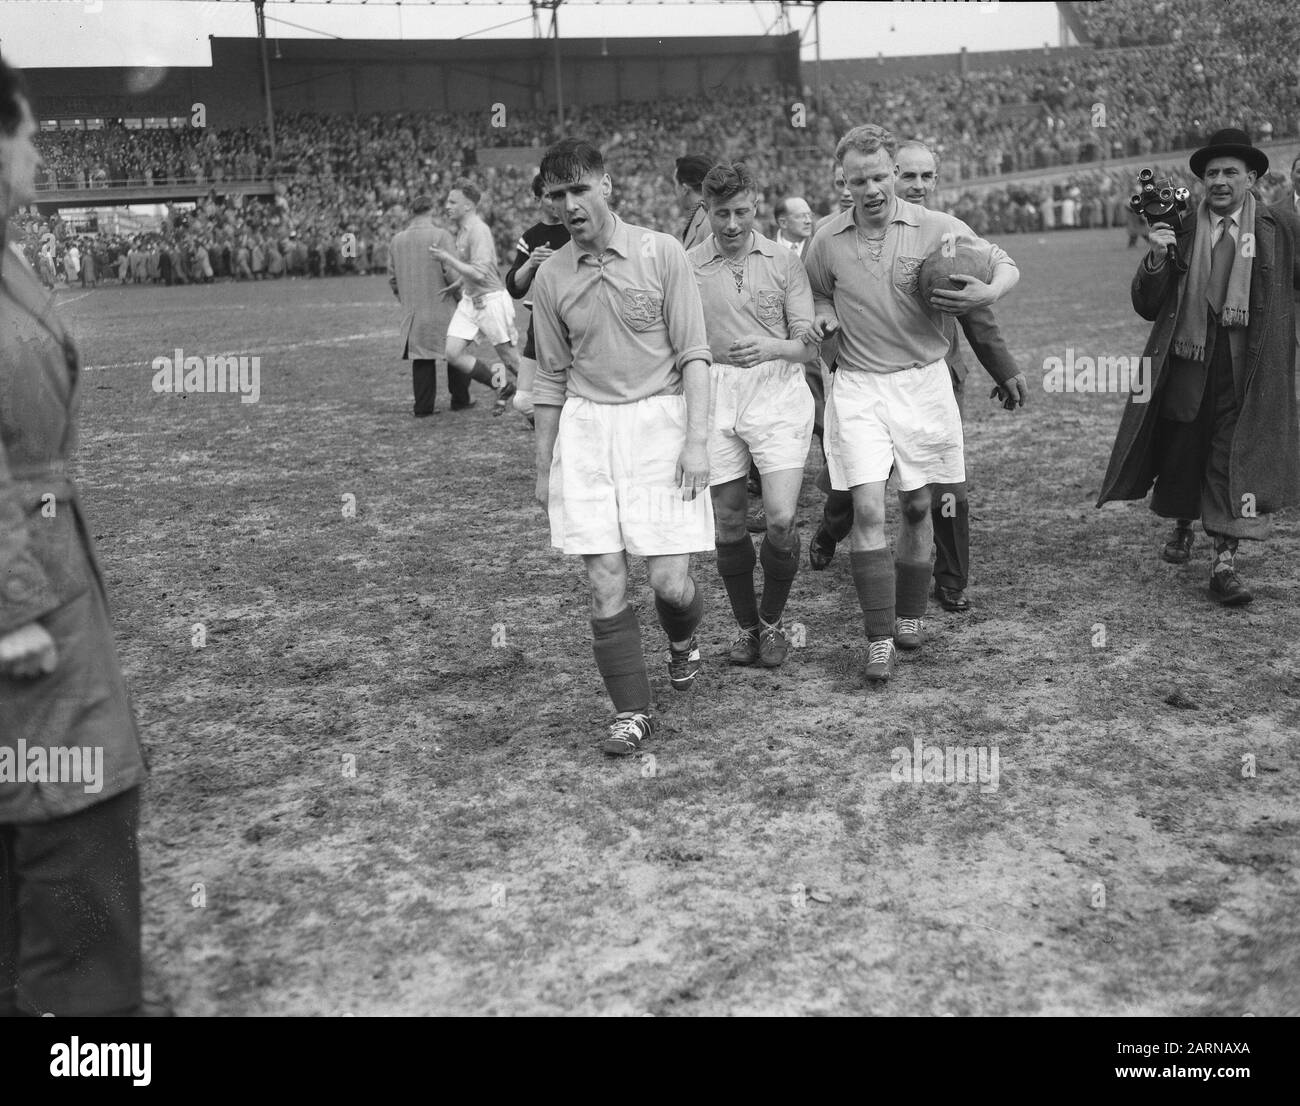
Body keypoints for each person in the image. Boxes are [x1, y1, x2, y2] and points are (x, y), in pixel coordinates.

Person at [0, 53, 163, 1018]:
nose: (34, 150)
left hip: (43, 559)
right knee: (79, 816)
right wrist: (12, 604)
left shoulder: (9, 252)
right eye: (25, 129)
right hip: (27, 600)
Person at [805, 124, 1019, 684]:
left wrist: (988, 291)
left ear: (892, 174)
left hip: (924, 383)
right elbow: (815, 290)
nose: (872, 188)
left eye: (880, 176)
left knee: (922, 506)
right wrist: (823, 311)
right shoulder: (825, 239)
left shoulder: (938, 230)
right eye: (859, 180)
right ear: (843, 181)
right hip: (857, 386)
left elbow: (1003, 262)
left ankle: (910, 616)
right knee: (870, 509)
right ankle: (878, 638)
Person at [531, 138, 712, 756]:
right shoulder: (550, 278)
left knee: (668, 582)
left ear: (607, 184)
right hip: (586, 430)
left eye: (579, 189)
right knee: (605, 578)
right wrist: (543, 465)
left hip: (659, 426)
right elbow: (549, 379)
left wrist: (696, 441)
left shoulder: (662, 254)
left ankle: (684, 638)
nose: (570, 205)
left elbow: (694, 354)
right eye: (557, 196)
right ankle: (632, 711)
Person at [1098, 128, 1300, 606]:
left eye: (1231, 171)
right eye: (1212, 173)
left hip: (1248, 367)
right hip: (1187, 362)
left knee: (1233, 453)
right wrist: (1156, 257)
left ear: (1252, 177)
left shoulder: (1280, 227)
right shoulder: (1182, 228)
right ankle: (1183, 520)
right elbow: (1148, 305)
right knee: (1184, 446)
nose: (1221, 180)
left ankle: (1224, 563)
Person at [688, 163, 819, 667]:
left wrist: (772, 346)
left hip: (777, 390)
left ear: (757, 205)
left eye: (742, 212)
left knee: (782, 519)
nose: (733, 224)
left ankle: (772, 620)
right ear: (706, 210)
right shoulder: (687, 264)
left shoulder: (785, 261)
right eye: (721, 213)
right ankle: (750, 630)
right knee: (728, 521)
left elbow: (807, 348)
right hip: (715, 391)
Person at [431, 179, 522, 416]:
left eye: (453, 201)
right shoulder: (463, 231)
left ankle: (541, 403)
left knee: (511, 360)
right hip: (470, 301)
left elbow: (480, 273)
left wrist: (446, 259)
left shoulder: (479, 230)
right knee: (452, 353)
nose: (447, 205)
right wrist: (458, 283)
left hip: (490, 300)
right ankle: (502, 385)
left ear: (469, 206)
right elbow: (472, 268)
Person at [505, 171, 570, 423]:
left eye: (559, 195)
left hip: (575, 322)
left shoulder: (577, 230)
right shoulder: (530, 238)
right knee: (523, 400)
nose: (555, 202)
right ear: (536, 199)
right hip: (540, 324)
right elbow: (514, 287)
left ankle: (564, 436)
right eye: (548, 196)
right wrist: (531, 263)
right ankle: (559, 429)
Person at [387, 194, 459, 418]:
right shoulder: (441, 235)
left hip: (414, 309)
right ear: (432, 211)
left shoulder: (396, 240)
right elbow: (451, 272)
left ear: (411, 212)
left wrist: (406, 298)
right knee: (456, 351)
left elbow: (392, 278)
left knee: (421, 358)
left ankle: (423, 406)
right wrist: (460, 296)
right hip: (443, 305)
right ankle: (460, 398)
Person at [674, 154, 713, 251]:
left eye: (675, 184)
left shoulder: (710, 221)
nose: (675, 190)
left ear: (684, 189)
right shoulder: (699, 217)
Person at [773, 195, 814, 260]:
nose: (808, 221)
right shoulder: (764, 249)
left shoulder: (818, 249)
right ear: (783, 223)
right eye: (801, 216)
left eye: (809, 215)